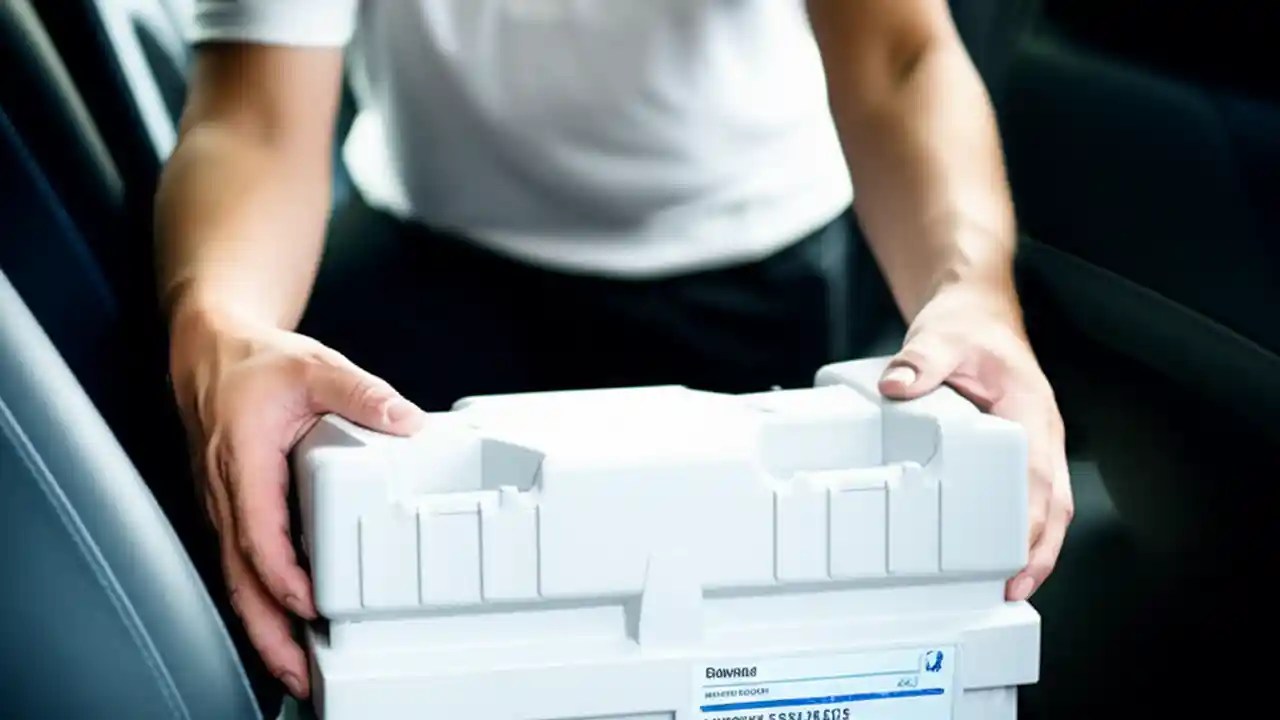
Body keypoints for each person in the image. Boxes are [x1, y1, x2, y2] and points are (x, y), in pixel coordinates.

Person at [156, 0, 1074, 707]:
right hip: (427, 267)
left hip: (749, 272)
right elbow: (254, 115)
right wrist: (222, 326)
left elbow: (895, 52)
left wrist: (975, 291)